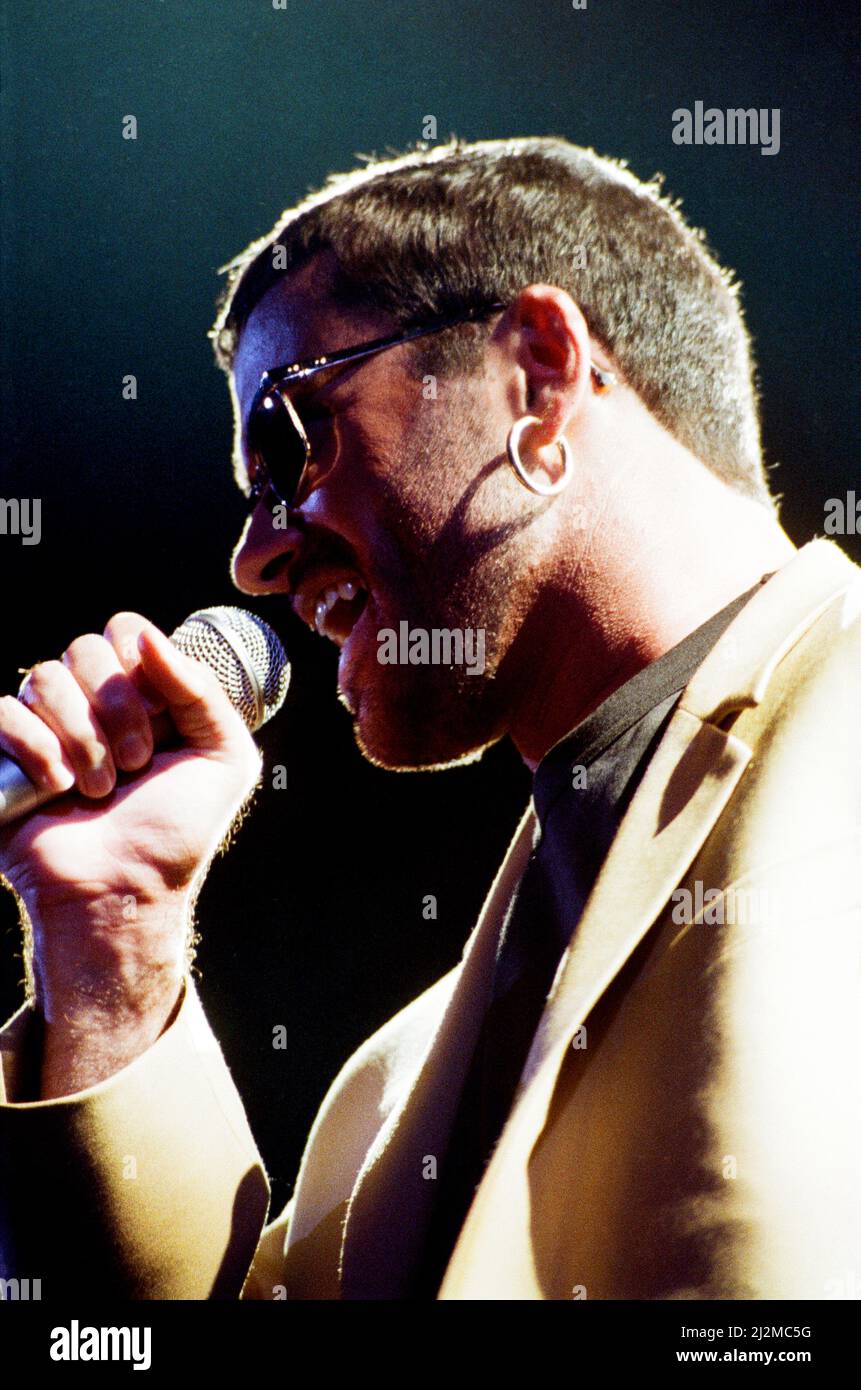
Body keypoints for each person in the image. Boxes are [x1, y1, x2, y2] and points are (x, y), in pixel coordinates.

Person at [0, 138, 859, 1300]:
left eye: (290, 444)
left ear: (541, 380)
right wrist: (112, 943)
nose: (255, 557)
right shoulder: (384, 1107)